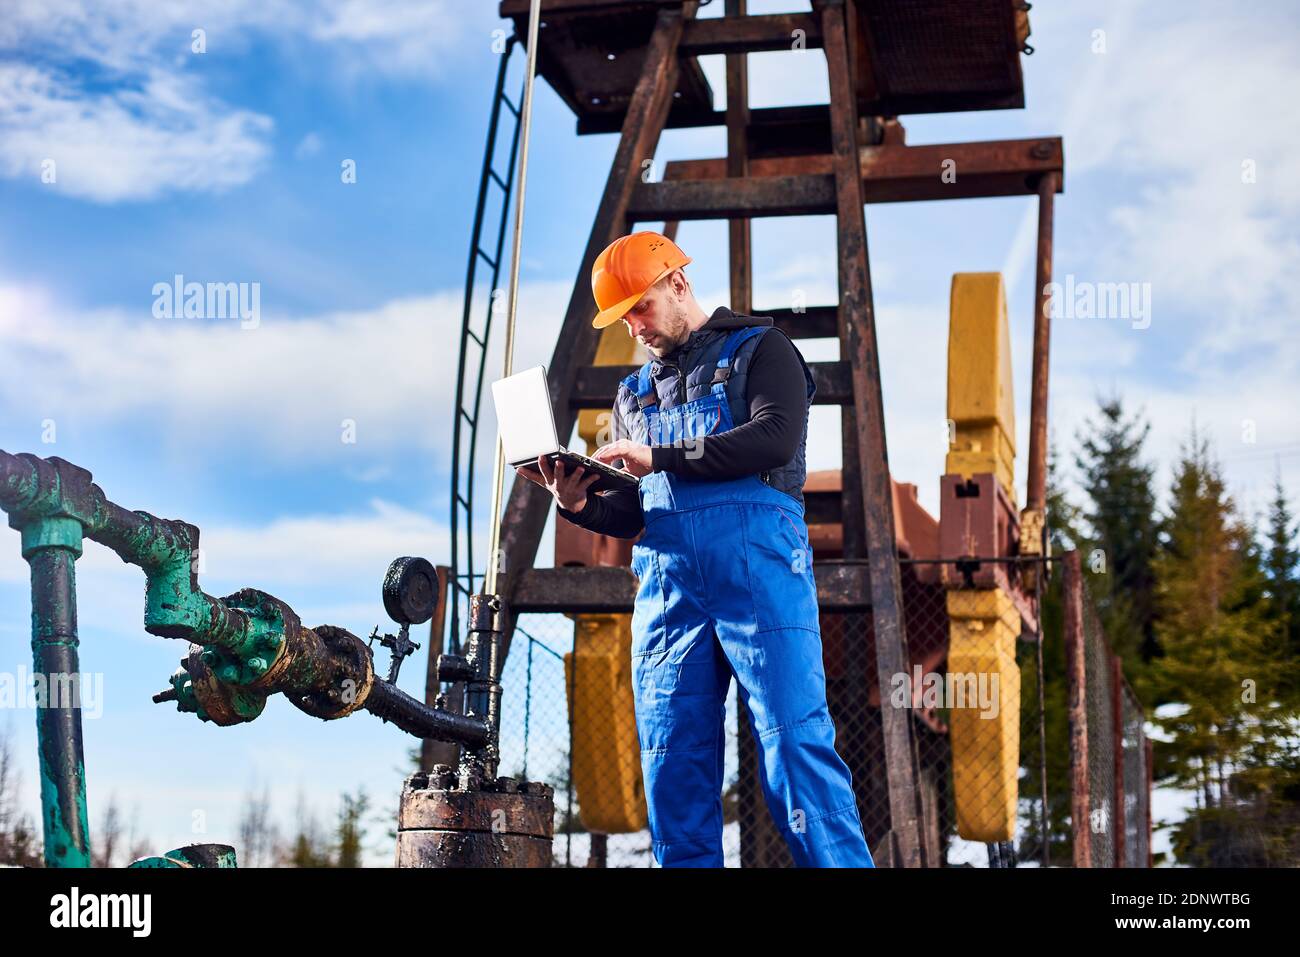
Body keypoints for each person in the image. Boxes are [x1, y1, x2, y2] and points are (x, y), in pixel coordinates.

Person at [520, 230, 874, 868]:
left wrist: (659, 455)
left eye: (641, 308)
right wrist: (578, 503)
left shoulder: (763, 349)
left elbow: (772, 438)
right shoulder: (633, 395)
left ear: (678, 284)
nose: (635, 327)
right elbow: (639, 509)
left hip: (760, 575)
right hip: (668, 593)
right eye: (623, 319)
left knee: (795, 746)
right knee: (672, 763)